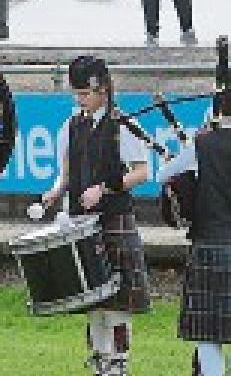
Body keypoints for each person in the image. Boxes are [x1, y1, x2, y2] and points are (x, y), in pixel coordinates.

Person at [157, 72, 231, 376]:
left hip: (209, 247)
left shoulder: (202, 144)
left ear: (220, 104)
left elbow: (164, 175)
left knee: (208, 340)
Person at [39, 56, 152, 375]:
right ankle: (99, 360)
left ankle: (118, 362)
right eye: (76, 94)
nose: (80, 101)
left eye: (85, 94)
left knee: (117, 303)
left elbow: (142, 172)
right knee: (92, 301)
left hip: (113, 220)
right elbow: (66, 172)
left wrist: (104, 188)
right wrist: (55, 192)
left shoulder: (122, 124)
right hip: (80, 222)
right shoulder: (72, 124)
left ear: (104, 90)